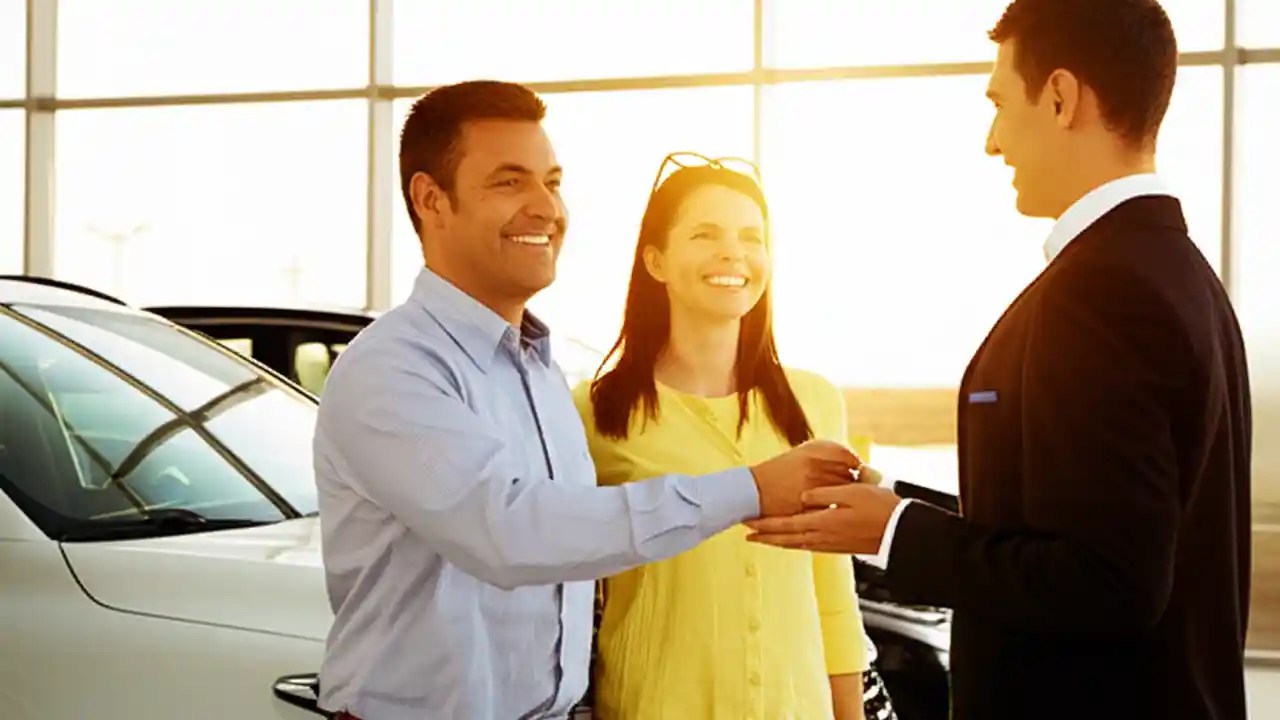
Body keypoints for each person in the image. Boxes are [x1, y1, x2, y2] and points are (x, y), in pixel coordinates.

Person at [745, 1, 1253, 719]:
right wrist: (899, 504)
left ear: (1059, 97)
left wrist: (893, 533)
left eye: (999, 102)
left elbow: (1111, 583)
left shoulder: (1104, 292)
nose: (992, 141)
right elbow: (1088, 525)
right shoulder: (1183, 276)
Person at [311, 80, 862, 720]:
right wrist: (754, 489)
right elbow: (511, 532)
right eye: (510, 182)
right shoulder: (393, 368)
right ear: (431, 199)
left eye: (552, 181)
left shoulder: (539, 375)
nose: (545, 207)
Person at [572, 153, 893, 720]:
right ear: (655, 260)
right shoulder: (593, 413)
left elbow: (833, 595)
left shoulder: (814, 401)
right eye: (705, 234)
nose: (733, 253)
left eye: (752, 237)